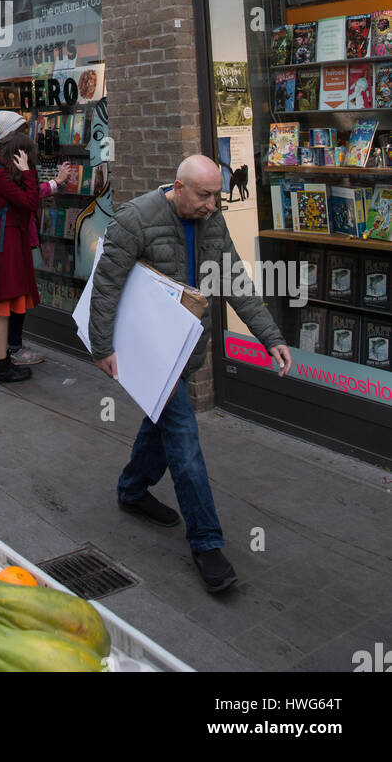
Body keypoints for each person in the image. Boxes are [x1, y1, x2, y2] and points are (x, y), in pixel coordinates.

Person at [89, 154, 291, 594]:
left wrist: (269, 337)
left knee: (162, 425)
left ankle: (132, 488)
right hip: (149, 353)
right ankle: (207, 544)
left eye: (217, 194)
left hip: (184, 351)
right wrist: (102, 346)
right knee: (184, 443)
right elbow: (106, 284)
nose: (213, 204)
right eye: (204, 195)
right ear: (178, 188)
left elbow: (235, 279)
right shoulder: (135, 219)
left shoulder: (212, 222)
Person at [0, 110, 70, 383]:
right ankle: (1, 366)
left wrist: (45, 181)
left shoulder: (0, 170)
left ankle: (6, 359)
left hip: (7, 245)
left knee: (9, 304)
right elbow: (30, 203)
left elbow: (27, 199)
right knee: (2, 309)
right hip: (4, 248)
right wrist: (28, 173)